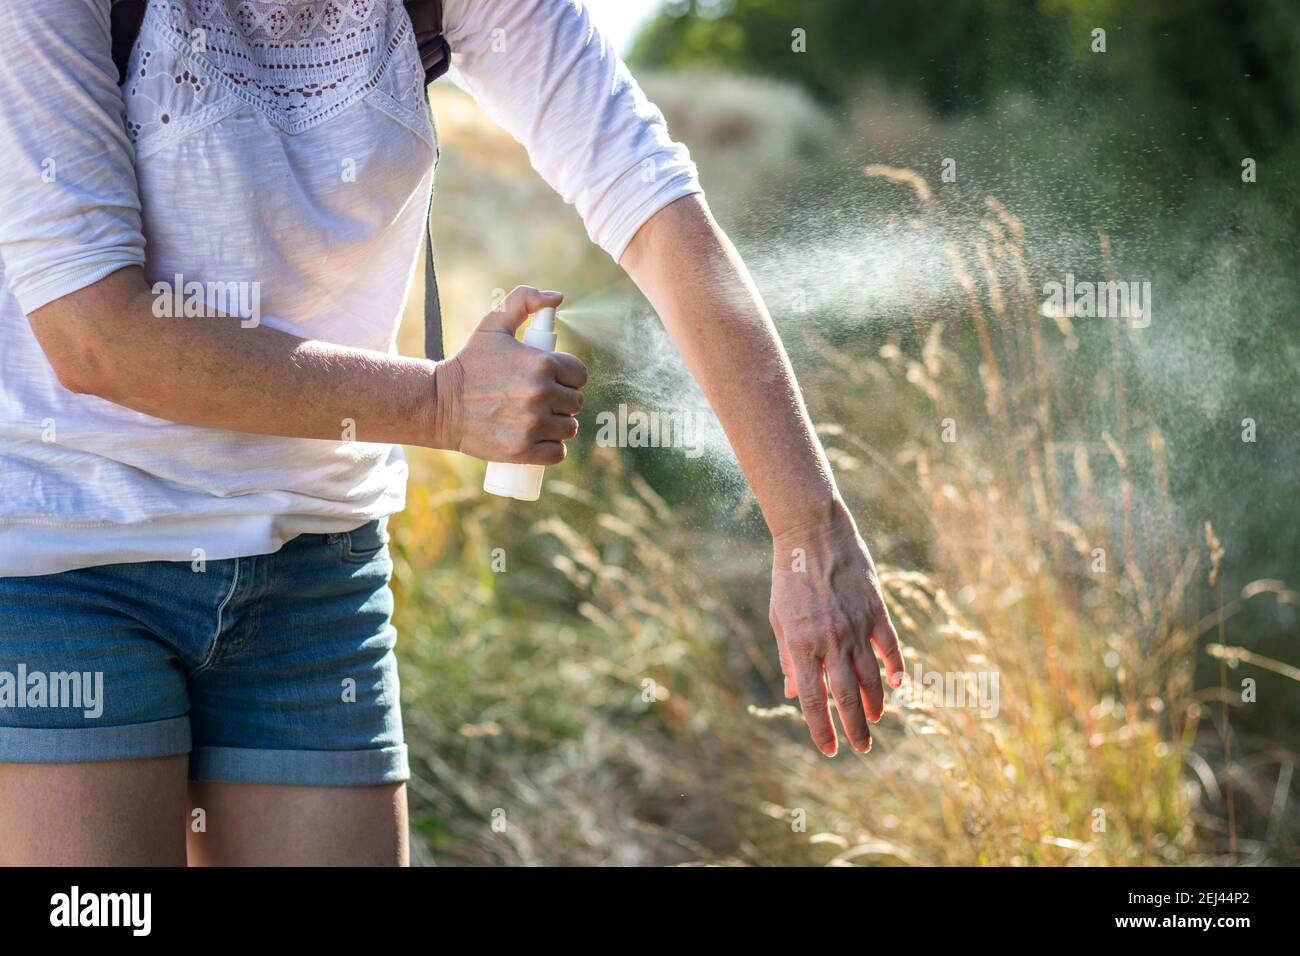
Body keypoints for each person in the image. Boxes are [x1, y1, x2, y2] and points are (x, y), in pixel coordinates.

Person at [0, 0, 904, 866]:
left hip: (311, 568)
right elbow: (96, 335)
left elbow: (660, 213)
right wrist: (440, 404)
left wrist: (807, 532)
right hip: (67, 559)